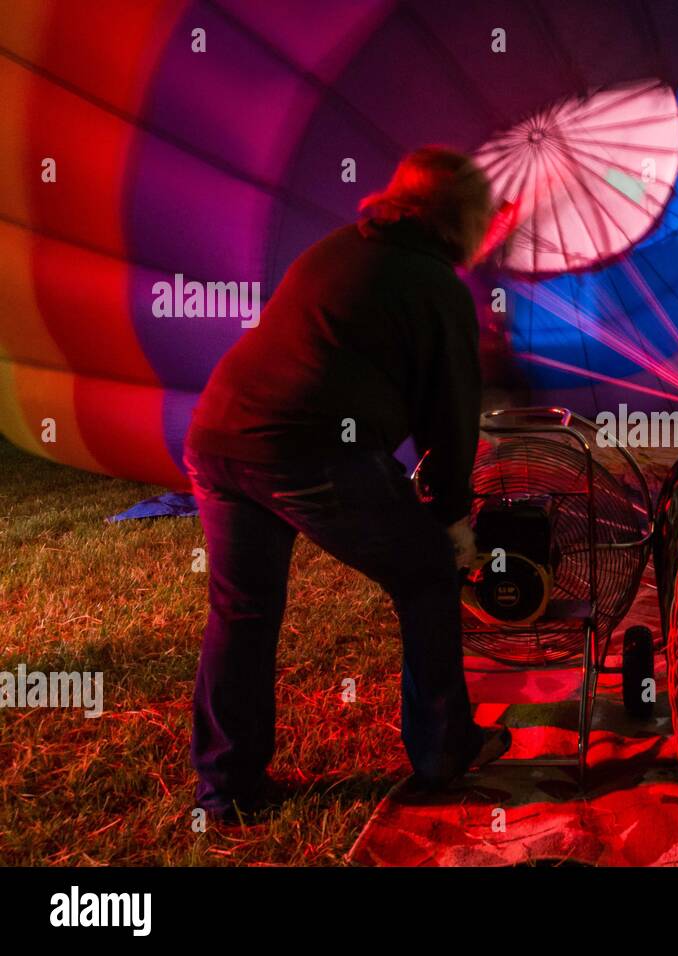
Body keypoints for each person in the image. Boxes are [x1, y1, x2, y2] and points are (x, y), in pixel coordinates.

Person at [183, 147, 510, 824]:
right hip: (304, 451)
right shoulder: (435, 285)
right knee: (425, 574)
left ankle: (224, 789)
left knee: (242, 610)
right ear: (458, 217)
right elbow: (449, 417)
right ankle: (445, 748)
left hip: (217, 436)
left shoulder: (340, 248)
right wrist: (453, 523)